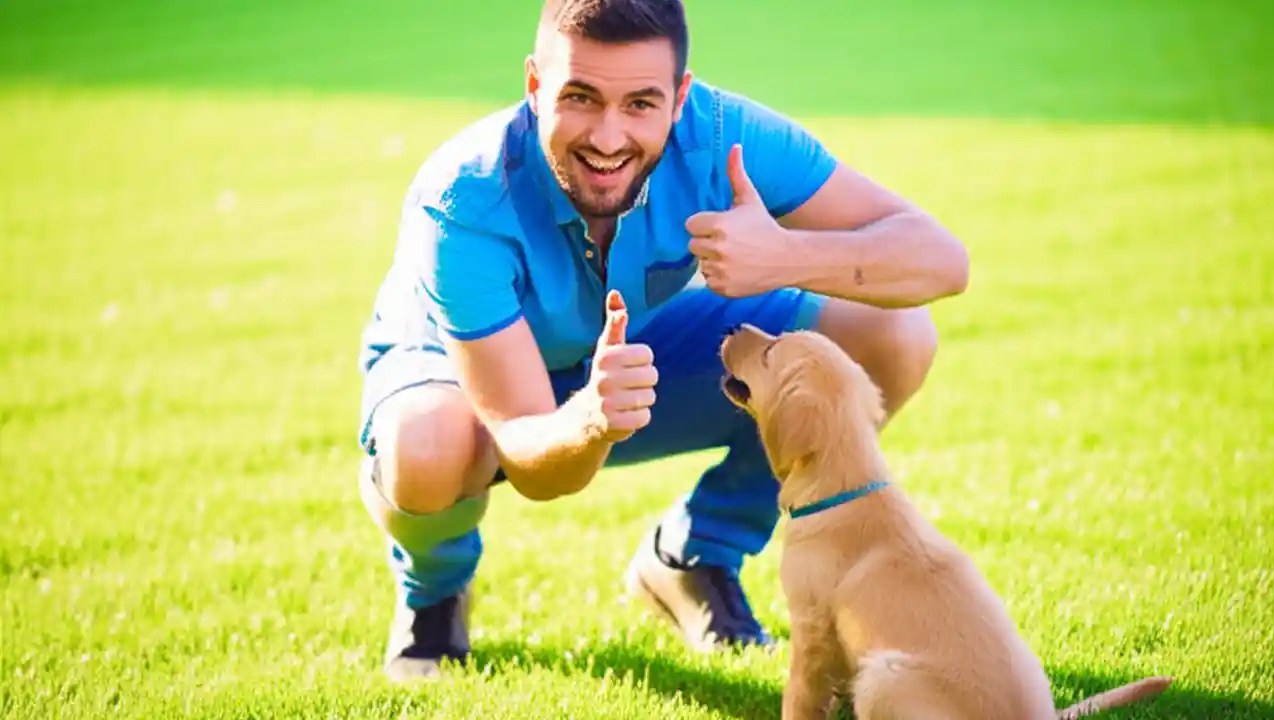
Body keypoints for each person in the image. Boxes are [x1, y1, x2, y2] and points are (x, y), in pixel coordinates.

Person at [355, 0, 969, 682]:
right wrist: (588, 421)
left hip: (625, 352)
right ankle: (434, 599)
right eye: (580, 98)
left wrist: (786, 257)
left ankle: (696, 554)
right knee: (430, 445)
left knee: (892, 334)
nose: (608, 137)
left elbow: (941, 261)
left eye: (641, 103)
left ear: (680, 97)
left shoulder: (721, 135)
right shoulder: (465, 198)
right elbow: (532, 459)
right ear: (534, 87)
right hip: (464, 383)